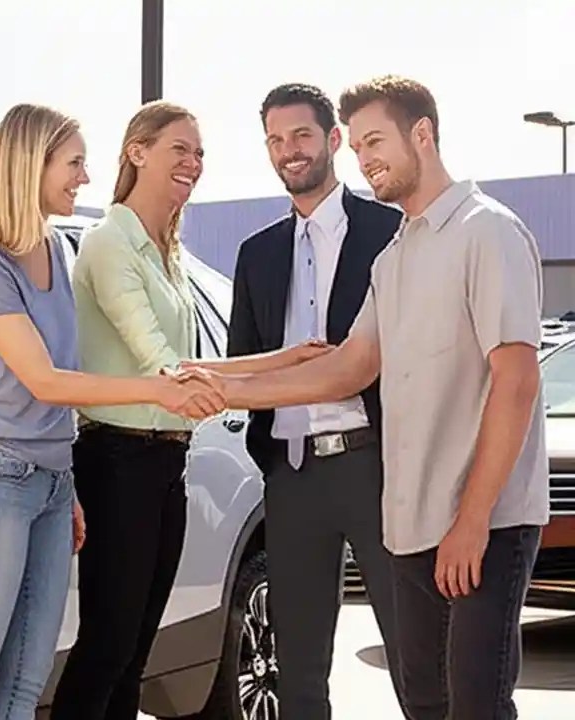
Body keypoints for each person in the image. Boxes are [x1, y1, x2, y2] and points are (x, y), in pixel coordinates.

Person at [188, 75, 549, 720]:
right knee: (430, 704)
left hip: (482, 521)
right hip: (413, 520)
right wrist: (224, 387)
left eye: (375, 140)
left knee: (475, 704)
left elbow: (517, 380)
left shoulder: (486, 231)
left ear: (424, 133)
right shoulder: (397, 253)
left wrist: (472, 520)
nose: (365, 159)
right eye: (358, 147)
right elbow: (347, 367)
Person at [0, 102, 225, 720]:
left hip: (53, 482)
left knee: (28, 676)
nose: (84, 178)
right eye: (73, 163)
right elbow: (45, 380)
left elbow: (65, 380)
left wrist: (69, 484)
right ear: (30, 163)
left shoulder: (56, 247)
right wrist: (157, 390)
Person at [48, 100, 329, 720]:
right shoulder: (108, 242)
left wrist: (285, 359)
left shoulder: (164, 251)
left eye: (199, 153)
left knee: (133, 653)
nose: (194, 163)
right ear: (137, 151)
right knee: (105, 648)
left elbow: (188, 368)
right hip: (115, 463)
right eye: (180, 148)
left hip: (166, 466)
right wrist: (253, 389)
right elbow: (160, 364)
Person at [221, 82, 407, 719]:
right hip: (292, 473)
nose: (288, 151)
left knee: (416, 659)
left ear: (333, 140)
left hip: (377, 465)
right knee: (298, 674)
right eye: (275, 140)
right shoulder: (257, 254)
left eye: (300, 135)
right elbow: (243, 360)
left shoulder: (393, 232)